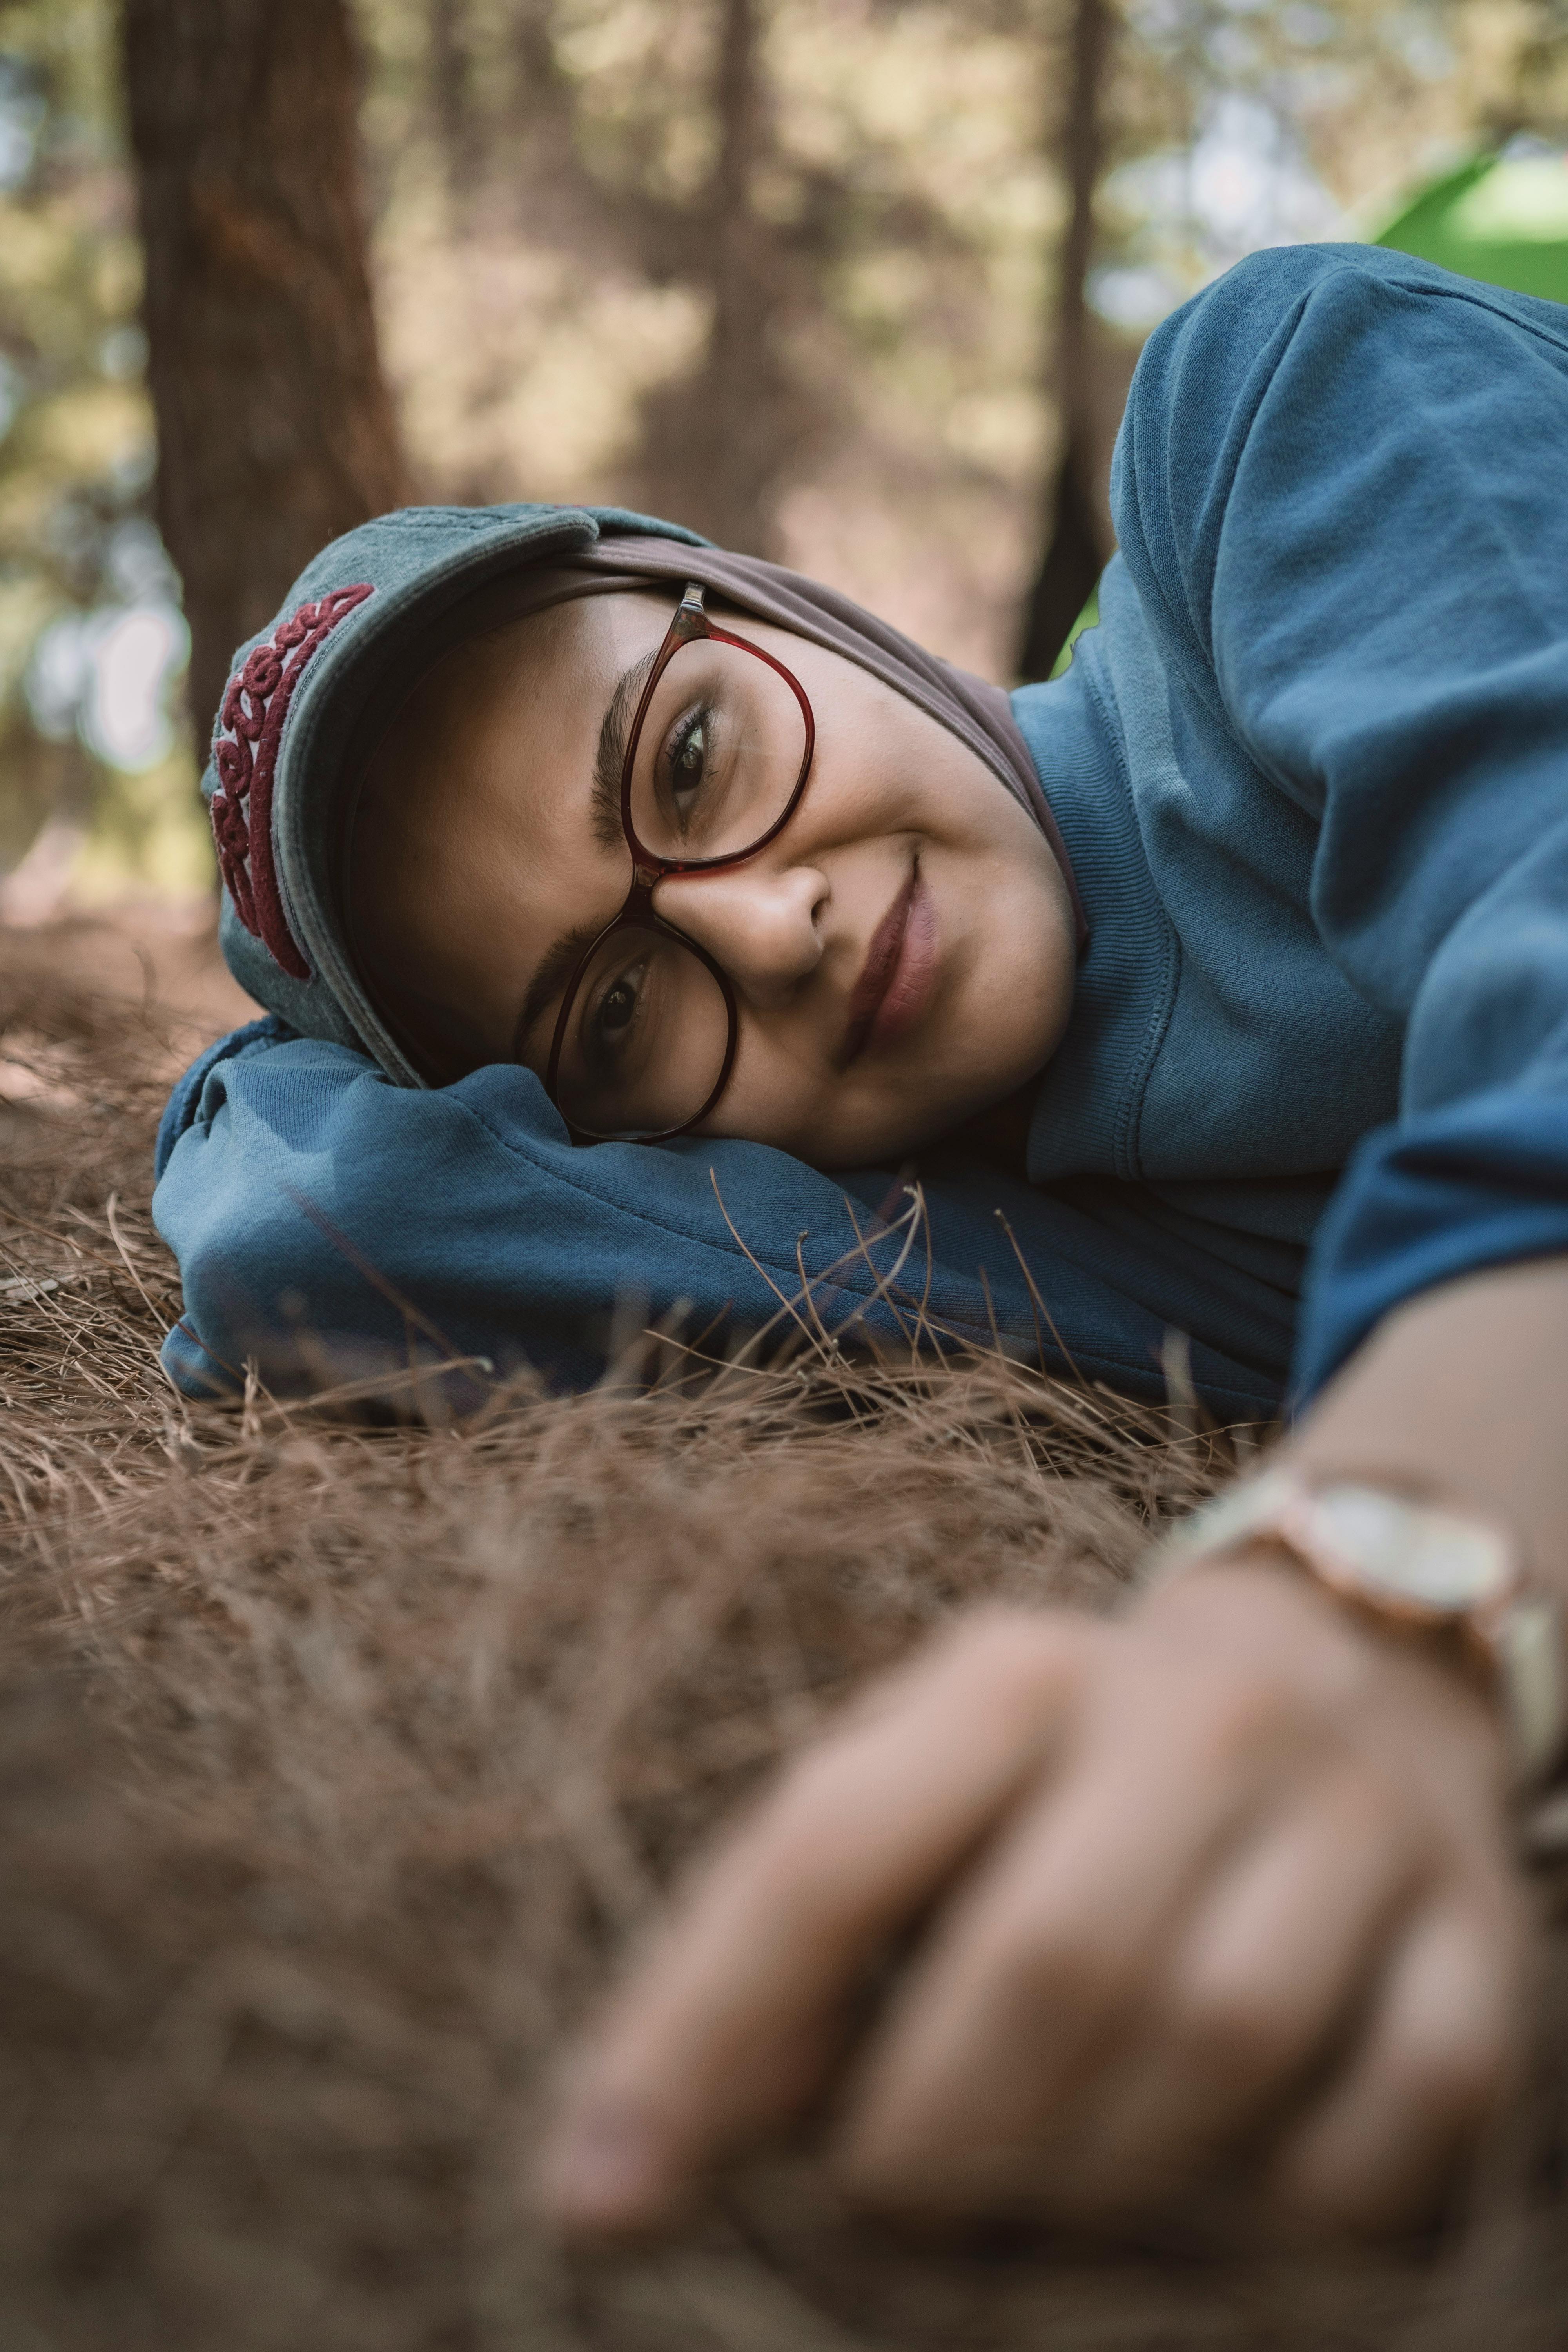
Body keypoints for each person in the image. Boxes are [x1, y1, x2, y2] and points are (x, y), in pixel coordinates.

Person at [154, 241, 1568, 2237]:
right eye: (620, 1010)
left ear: (777, 605)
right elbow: (316, 1229)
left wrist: (1394, 1572)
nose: (759, 930)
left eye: (691, 759)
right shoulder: (974, 1240)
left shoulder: (1285, 418)